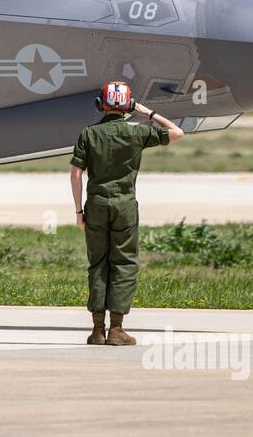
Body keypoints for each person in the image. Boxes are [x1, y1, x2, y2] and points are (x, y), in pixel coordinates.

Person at [69, 80, 184, 345]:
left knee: (98, 264)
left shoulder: (88, 134)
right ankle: (117, 330)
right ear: (128, 106)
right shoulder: (137, 132)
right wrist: (149, 113)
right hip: (125, 206)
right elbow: (177, 133)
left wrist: (78, 210)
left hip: (95, 205)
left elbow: (76, 173)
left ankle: (97, 330)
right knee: (124, 263)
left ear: (101, 105)